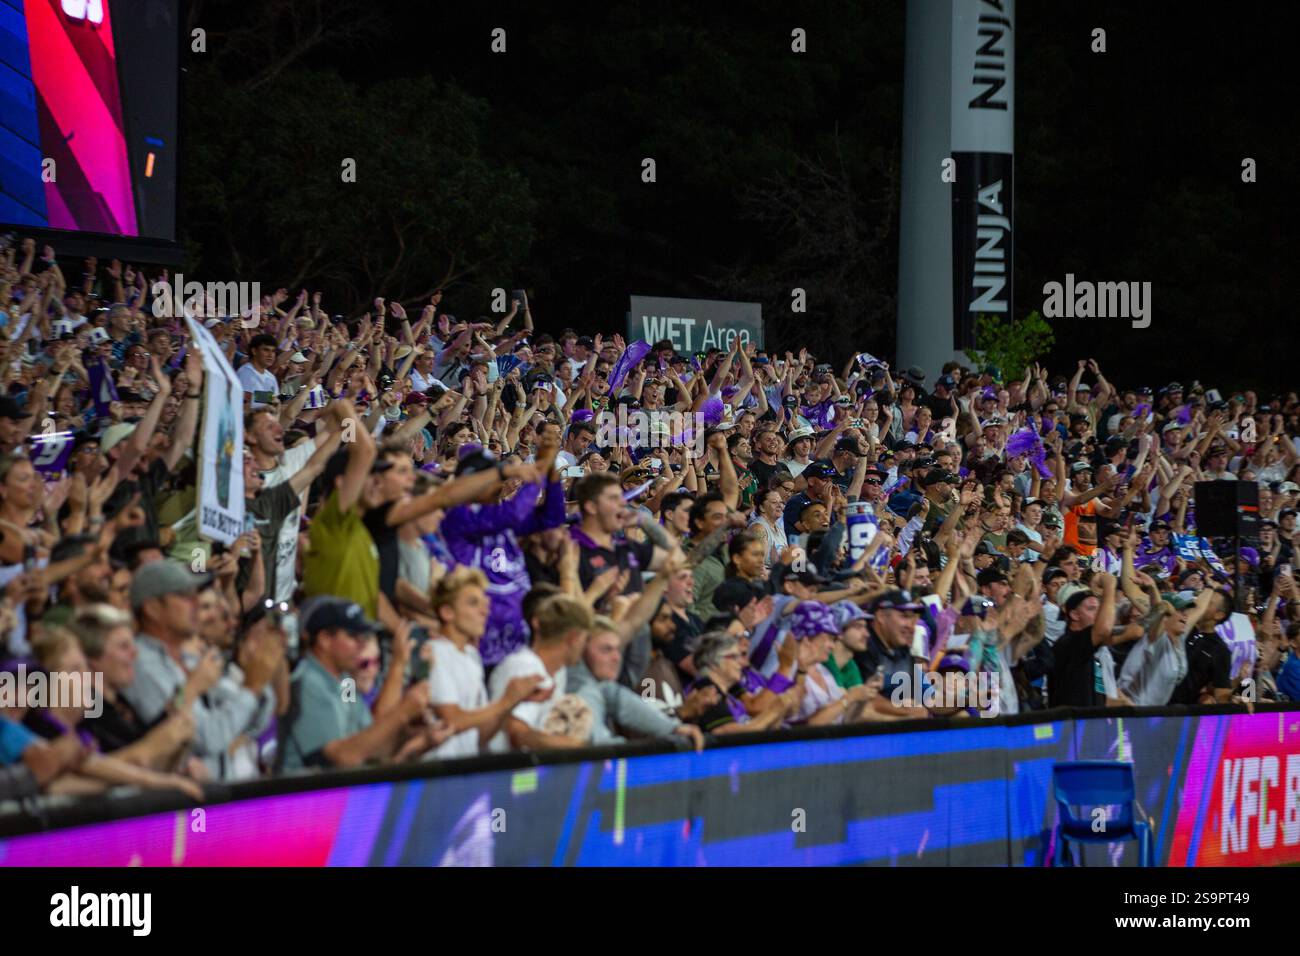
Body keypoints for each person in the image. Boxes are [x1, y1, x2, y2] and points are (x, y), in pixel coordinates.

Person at [279, 598, 446, 771]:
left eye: (363, 636)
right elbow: (343, 757)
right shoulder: (307, 683)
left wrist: (421, 738)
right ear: (325, 639)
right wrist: (402, 712)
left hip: (339, 793)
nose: (361, 644)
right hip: (303, 796)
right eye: (353, 636)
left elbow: (369, 746)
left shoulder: (346, 683)